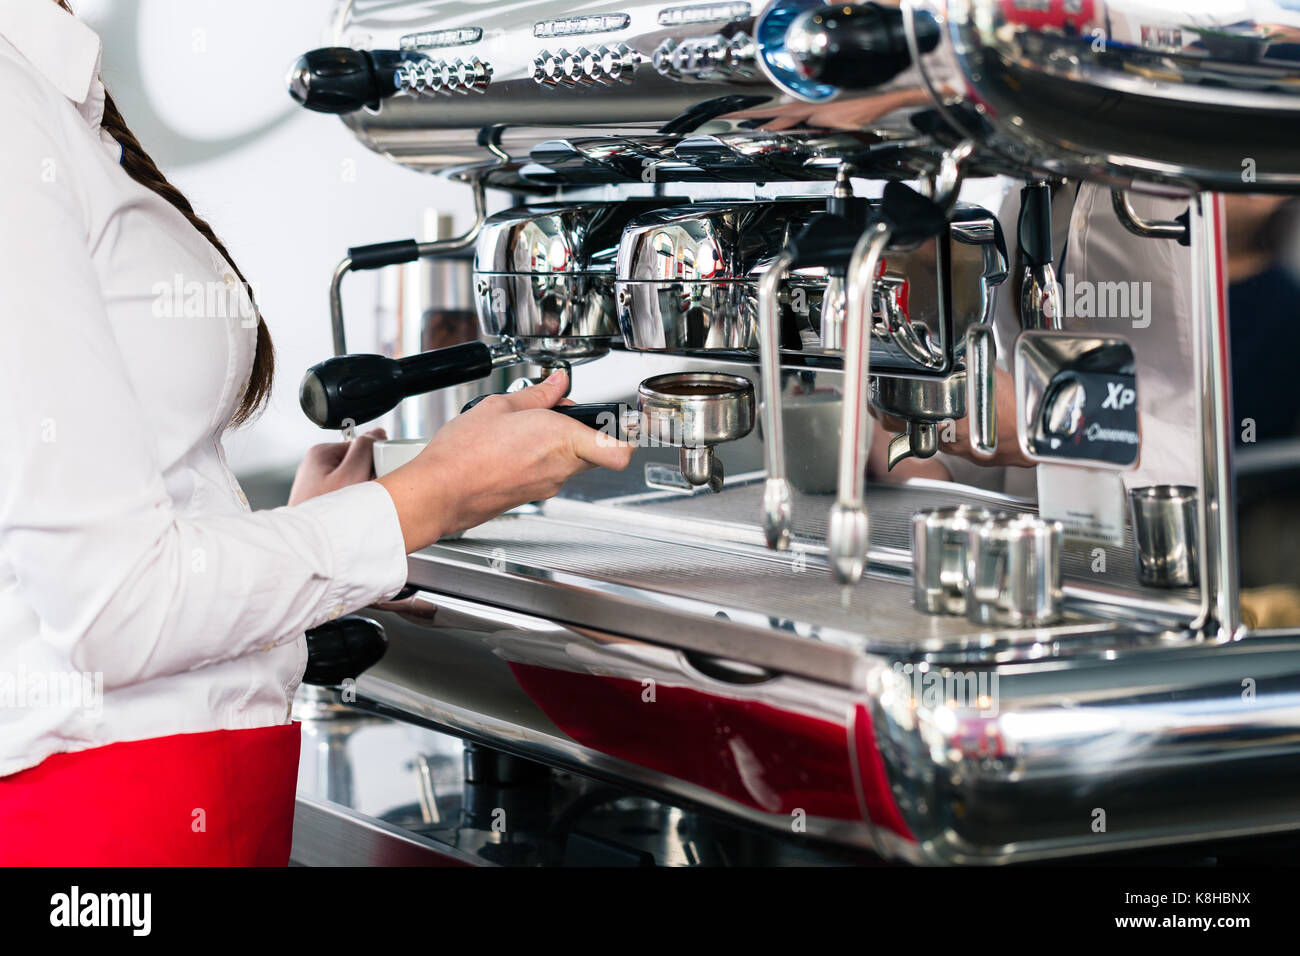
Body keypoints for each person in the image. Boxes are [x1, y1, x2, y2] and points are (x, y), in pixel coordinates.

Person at [0, 0, 633, 865]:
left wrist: (291, 536)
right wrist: (423, 499)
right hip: (99, 814)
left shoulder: (44, 78)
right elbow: (114, 609)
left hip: (162, 787)